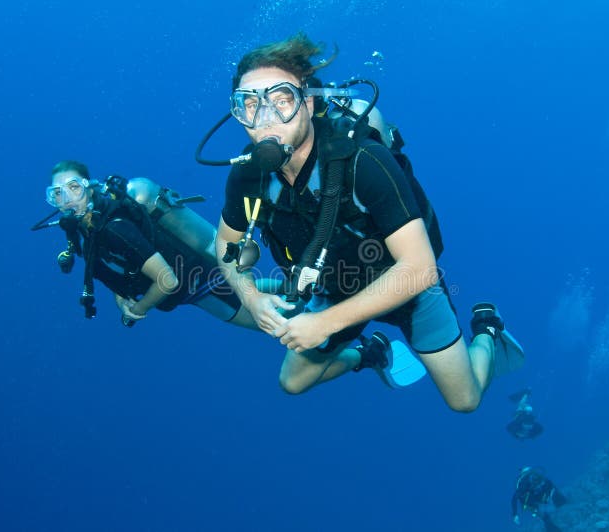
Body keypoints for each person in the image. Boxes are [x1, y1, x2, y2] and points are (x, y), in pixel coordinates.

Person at [213, 33, 524, 406]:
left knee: (465, 401)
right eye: (249, 104)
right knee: (292, 383)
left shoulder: (365, 160)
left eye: (282, 100)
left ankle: (487, 329)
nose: (265, 119)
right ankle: (371, 353)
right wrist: (251, 299)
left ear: (308, 103)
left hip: (409, 291)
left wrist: (324, 324)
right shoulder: (248, 176)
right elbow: (225, 243)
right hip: (333, 290)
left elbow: (420, 268)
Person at [43, 160, 259, 329]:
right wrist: (121, 300)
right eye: (57, 193)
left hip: (202, 284)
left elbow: (167, 280)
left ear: (89, 189)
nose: (66, 199)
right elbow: (119, 264)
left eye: (73, 187)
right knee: (262, 293)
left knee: (270, 323)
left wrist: (137, 310)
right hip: (198, 281)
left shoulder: (114, 228)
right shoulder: (89, 230)